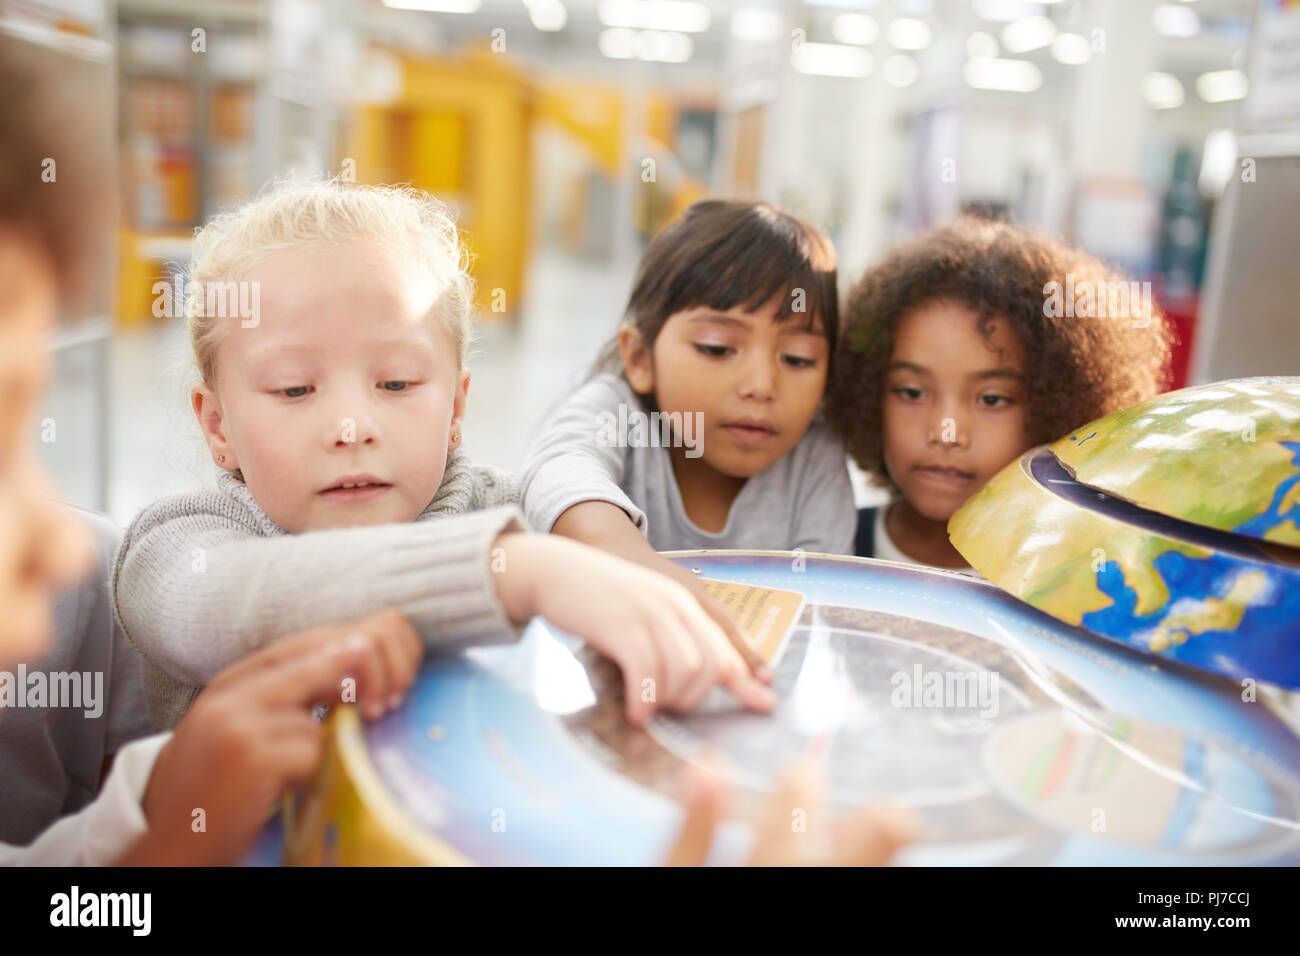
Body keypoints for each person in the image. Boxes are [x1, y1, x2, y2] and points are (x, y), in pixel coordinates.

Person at [521, 200, 855, 659]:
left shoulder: (814, 459)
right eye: (718, 348)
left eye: (798, 358)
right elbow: (557, 475)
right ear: (639, 358)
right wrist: (646, 573)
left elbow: (821, 614)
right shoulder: (617, 411)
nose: (762, 385)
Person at [828, 217, 1172, 570]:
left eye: (991, 399)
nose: (947, 433)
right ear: (868, 397)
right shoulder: (823, 546)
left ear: (1059, 409)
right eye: (912, 392)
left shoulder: (1074, 577)